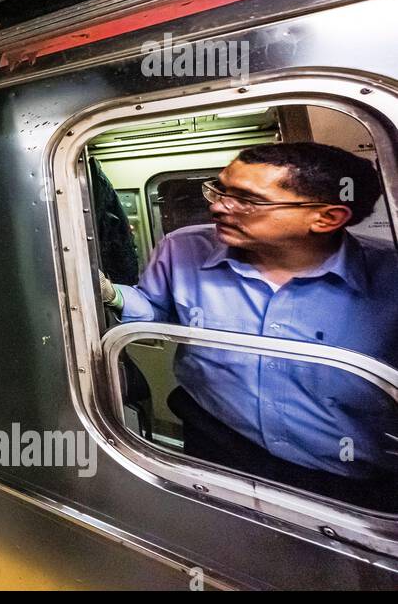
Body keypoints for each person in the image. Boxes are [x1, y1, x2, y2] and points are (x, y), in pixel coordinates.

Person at [100, 142, 398, 510]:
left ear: (326, 218)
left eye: (246, 199)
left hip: (346, 475)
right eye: (220, 189)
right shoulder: (182, 250)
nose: (218, 206)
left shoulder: (389, 279)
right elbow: (156, 310)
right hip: (215, 438)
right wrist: (113, 294)